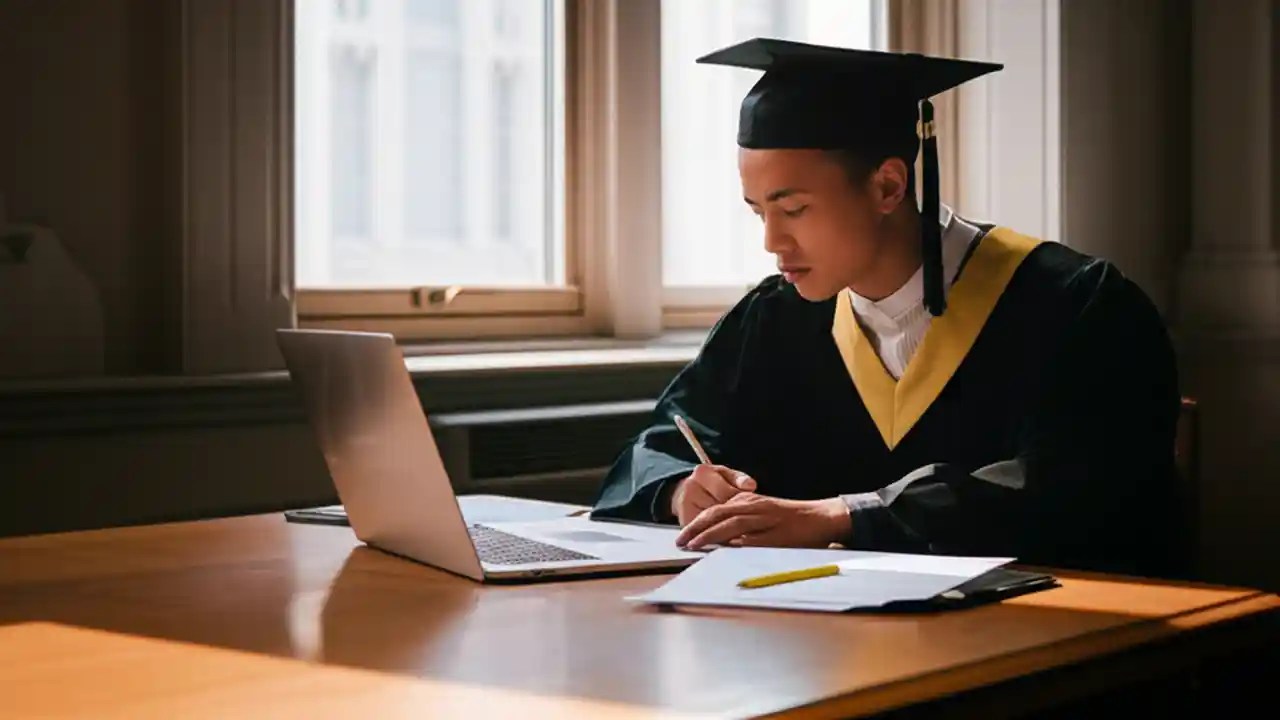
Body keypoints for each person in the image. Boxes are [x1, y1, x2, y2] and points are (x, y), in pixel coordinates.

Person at [590, 38, 1181, 576]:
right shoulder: (774, 318)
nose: (771, 242)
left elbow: (1077, 490)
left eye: (793, 210)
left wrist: (846, 518)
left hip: (1043, 643)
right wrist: (679, 491)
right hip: (813, 648)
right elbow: (657, 447)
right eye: (757, 212)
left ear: (888, 187)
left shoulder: (1075, 306)